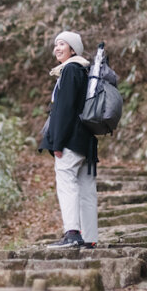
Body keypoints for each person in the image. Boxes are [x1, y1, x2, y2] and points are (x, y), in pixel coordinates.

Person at [38, 30, 99, 249]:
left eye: (62, 44)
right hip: (86, 140)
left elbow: (64, 110)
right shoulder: (83, 70)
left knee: (67, 182)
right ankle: (89, 237)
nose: (57, 48)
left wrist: (57, 142)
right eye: (55, 44)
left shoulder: (71, 70)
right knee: (85, 188)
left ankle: (72, 233)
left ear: (73, 49)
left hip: (71, 139)